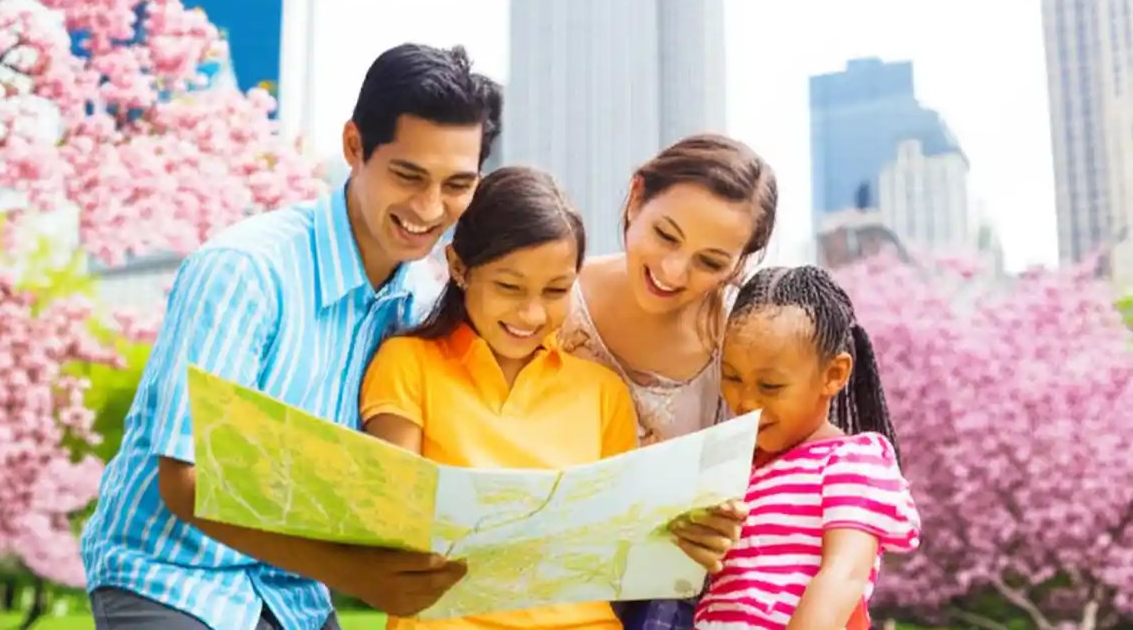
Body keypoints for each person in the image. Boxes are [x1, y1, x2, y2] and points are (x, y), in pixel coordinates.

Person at [79, 42, 504, 630]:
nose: (430, 208)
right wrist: (358, 577)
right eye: (408, 176)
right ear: (354, 147)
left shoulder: (424, 304)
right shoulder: (244, 271)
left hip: (292, 593)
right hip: (170, 576)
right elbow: (186, 481)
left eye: (457, 185)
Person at [358, 165, 637, 630]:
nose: (531, 313)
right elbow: (396, 524)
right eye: (509, 287)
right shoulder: (409, 363)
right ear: (459, 267)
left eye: (556, 291)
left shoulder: (602, 392)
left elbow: (616, 549)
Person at [558, 134, 779, 629]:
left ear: (740, 262)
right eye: (666, 234)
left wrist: (723, 529)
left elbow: (771, 484)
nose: (674, 271)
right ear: (637, 198)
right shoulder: (552, 298)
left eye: (711, 262)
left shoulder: (738, 352)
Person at [693, 265, 921, 629]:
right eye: (732, 377)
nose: (746, 401)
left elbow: (843, 574)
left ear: (833, 374)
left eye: (769, 386)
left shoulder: (850, 462)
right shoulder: (737, 466)